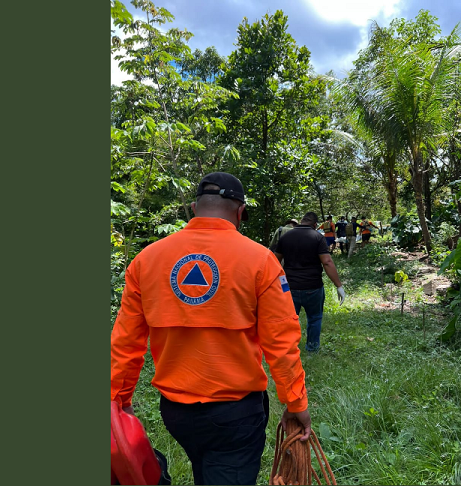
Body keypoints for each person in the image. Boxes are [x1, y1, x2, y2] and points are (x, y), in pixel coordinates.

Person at [110, 172, 311, 486]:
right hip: (236, 415)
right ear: (240, 211)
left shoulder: (146, 261)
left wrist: (118, 401)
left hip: (176, 414)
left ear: (193, 208)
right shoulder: (261, 261)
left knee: (207, 469)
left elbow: (125, 341)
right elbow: (281, 342)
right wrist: (296, 402)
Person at [275, 212, 345, 353]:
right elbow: (327, 262)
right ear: (314, 225)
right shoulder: (317, 237)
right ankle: (312, 349)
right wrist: (339, 286)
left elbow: (275, 262)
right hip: (313, 287)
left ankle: (288, 348)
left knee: (288, 320)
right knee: (314, 318)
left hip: (290, 287)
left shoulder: (285, 236)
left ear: (301, 221)